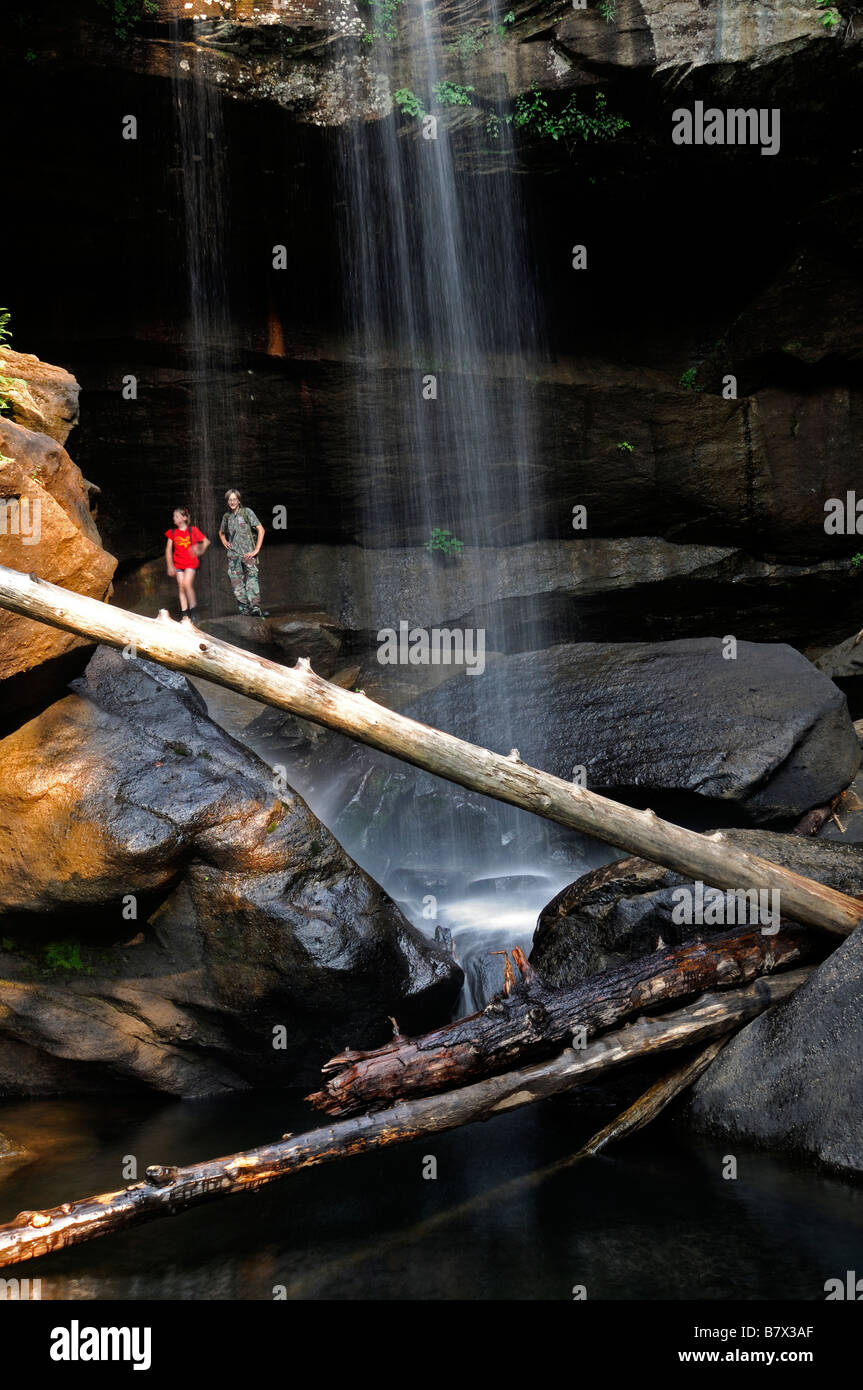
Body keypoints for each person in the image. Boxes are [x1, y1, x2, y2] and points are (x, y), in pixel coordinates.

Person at [219, 488, 267, 616]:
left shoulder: (247, 512)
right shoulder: (227, 516)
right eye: (230, 500)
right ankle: (244, 610)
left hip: (248, 553)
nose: (232, 502)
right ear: (227, 502)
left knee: (252, 578)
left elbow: (261, 530)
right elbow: (221, 532)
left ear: (239, 501)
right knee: (236, 582)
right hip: (233, 555)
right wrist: (224, 540)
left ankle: (255, 608)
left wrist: (256, 550)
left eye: (234, 499)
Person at [165, 507, 209, 622]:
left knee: (186, 583)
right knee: (181, 586)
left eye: (177, 516)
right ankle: (185, 614)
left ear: (184, 518)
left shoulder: (193, 530)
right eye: (174, 516)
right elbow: (168, 549)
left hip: (191, 563)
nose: (174, 518)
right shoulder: (172, 533)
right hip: (178, 564)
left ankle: (194, 609)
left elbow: (206, 542)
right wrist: (170, 566)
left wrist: (199, 549)